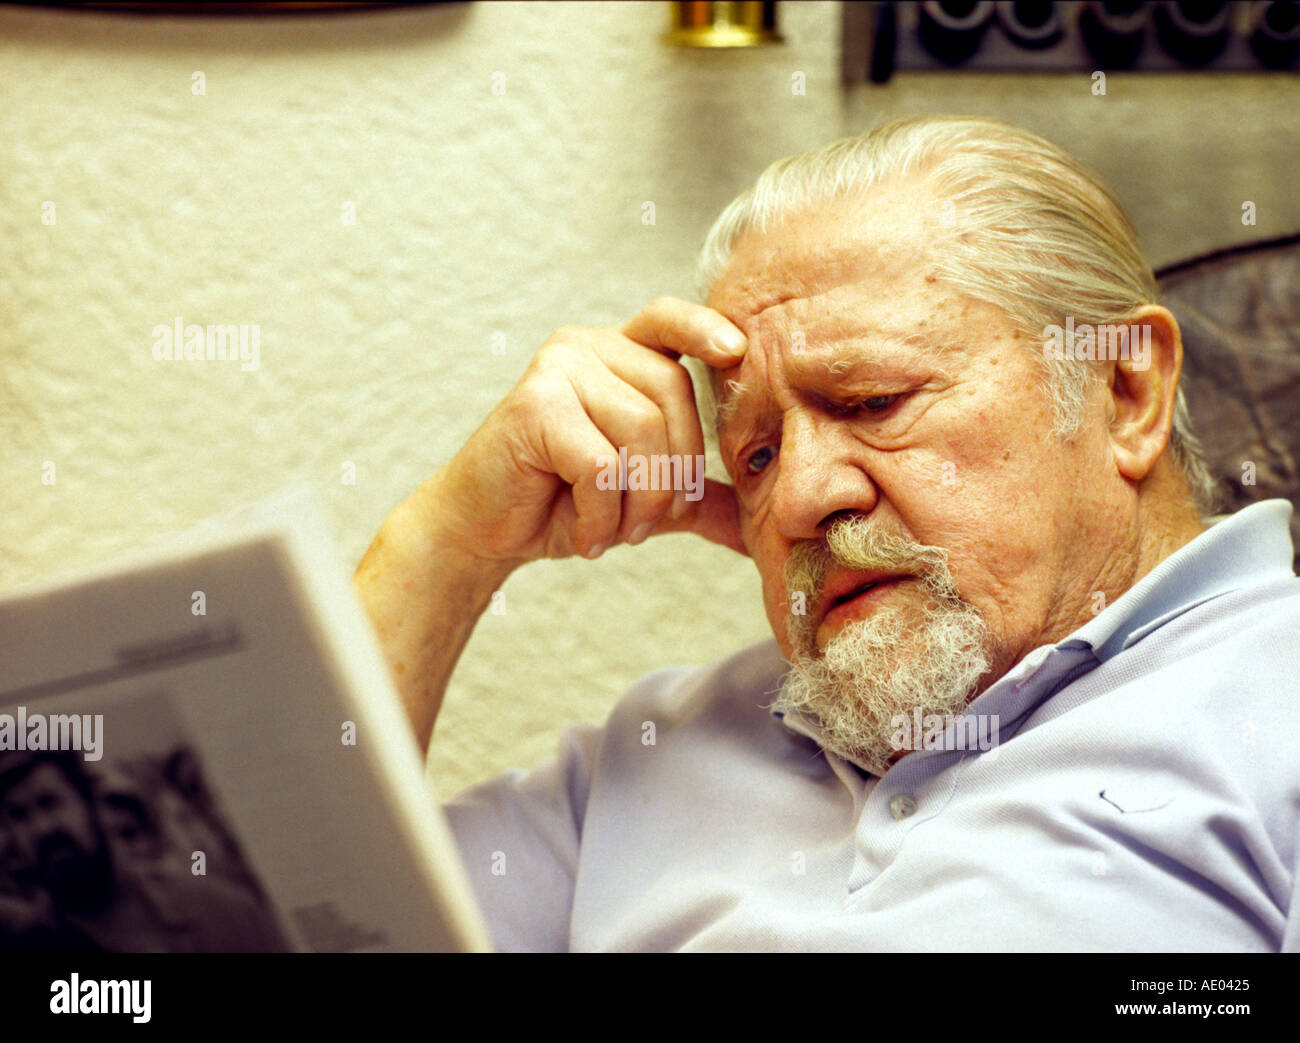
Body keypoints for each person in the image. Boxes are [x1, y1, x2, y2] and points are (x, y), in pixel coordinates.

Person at [353, 115, 1300, 952]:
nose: (801, 498)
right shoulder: (656, 754)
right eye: (756, 454)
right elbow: (273, 917)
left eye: (873, 400)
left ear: (1123, 391)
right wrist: (449, 547)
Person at [0, 750, 289, 952]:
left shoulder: (223, 913)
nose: (42, 828)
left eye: (50, 803)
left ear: (91, 804)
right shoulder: (24, 942)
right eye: (19, 815)